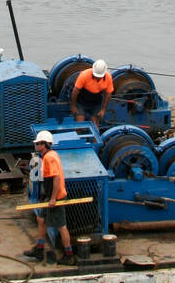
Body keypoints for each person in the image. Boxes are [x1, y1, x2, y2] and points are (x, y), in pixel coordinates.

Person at [24, 130, 73, 262]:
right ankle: (39, 249)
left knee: (61, 226)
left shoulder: (49, 158)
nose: (36, 146)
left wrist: (53, 199)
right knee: (41, 219)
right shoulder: (48, 156)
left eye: (38, 144)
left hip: (56, 198)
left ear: (44, 145)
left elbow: (56, 179)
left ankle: (69, 255)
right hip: (50, 196)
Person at [71, 59, 114, 126]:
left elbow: (108, 94)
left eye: (99, 77)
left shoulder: (108, 77)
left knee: (95, 127)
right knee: (79, 126)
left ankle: (95, 136)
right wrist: (73, 106)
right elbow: (75, 91)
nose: (97, 78)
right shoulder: (84, 75)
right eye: (96, 76)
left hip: (96, 103)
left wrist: (103, 109)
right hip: (81, 102)